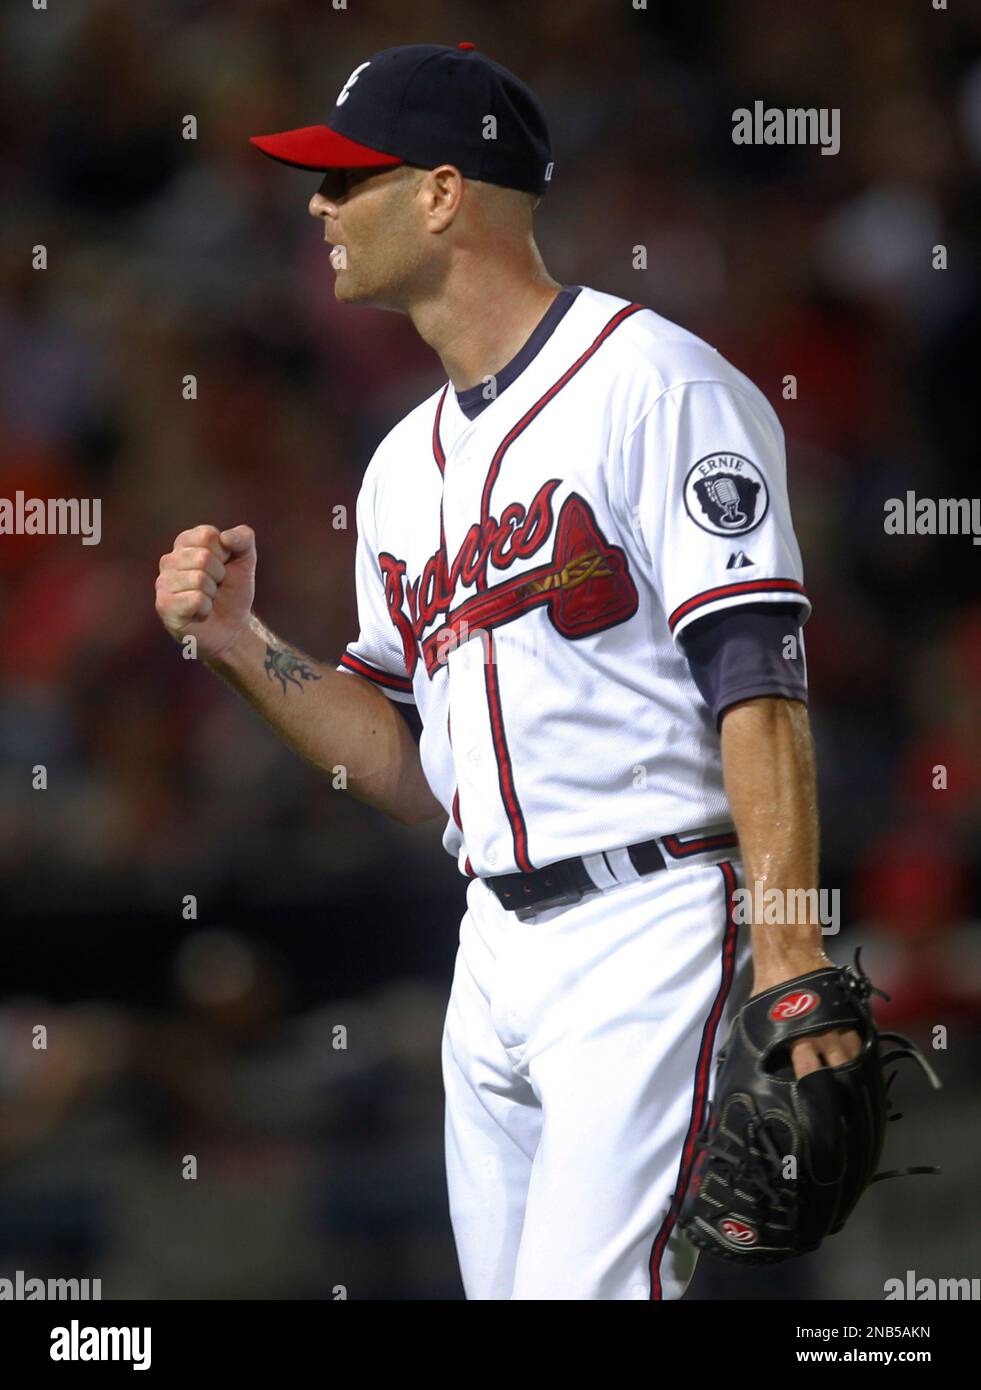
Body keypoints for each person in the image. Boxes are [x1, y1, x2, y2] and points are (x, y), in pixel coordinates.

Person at [154, 42, 860, 1300]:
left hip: (651, 918)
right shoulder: (397, 469)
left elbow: (757, 677)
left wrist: (792, 946)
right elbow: (416, 770)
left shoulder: (655, 383)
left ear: (440, 192)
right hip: (491, 946)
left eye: (346, 179)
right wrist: (240, 647)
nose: (316, 206)